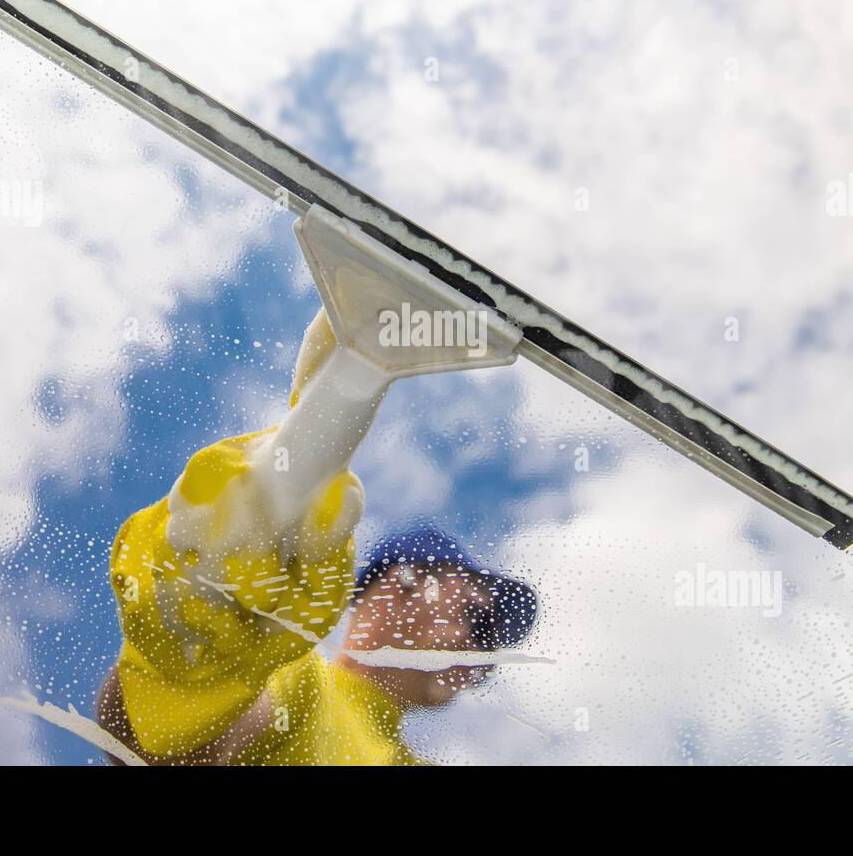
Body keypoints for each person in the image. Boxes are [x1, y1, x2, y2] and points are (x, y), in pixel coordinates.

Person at [96, 310, 537, 764]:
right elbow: (157, 747)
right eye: (479, 623)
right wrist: (196, 624)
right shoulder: (299, 689)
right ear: (401, 586)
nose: (484, 665)